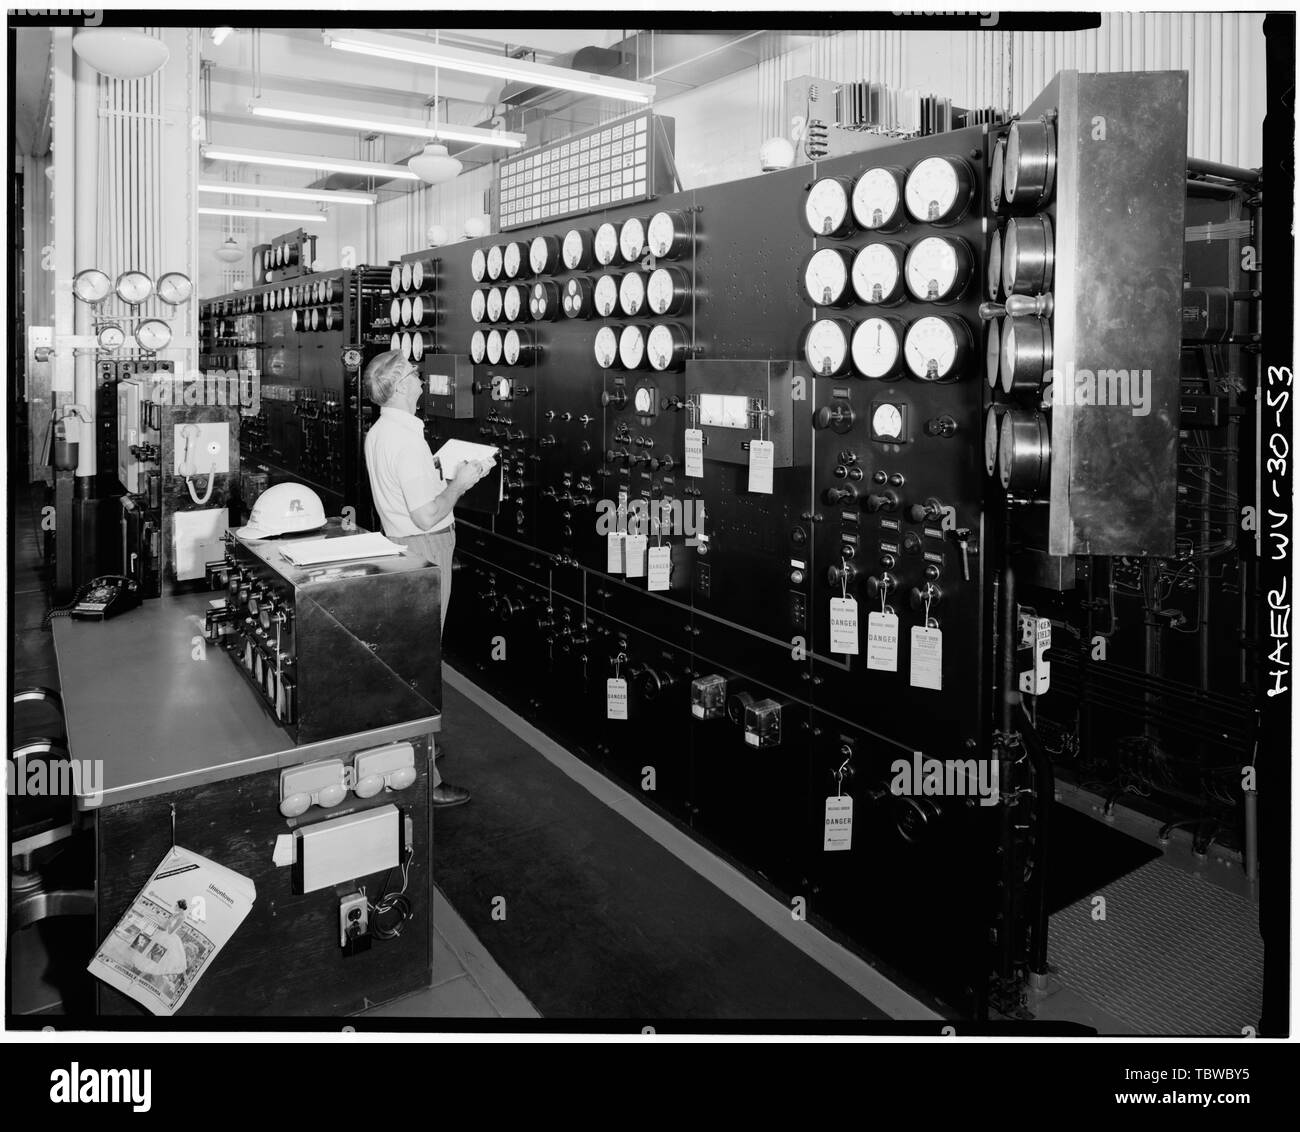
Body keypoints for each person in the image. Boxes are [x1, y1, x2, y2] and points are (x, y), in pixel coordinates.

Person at [363, 349, 494, 808]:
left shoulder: (379, 432)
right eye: (415, 376)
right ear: (399, 387)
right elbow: (426, 514)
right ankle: (425, 778)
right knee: (420, 664)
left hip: (398, 546)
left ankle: (419, 751)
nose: (422, 381)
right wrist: (461, 482)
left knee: (409, 656)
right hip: (425, 547)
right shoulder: (407, 441)